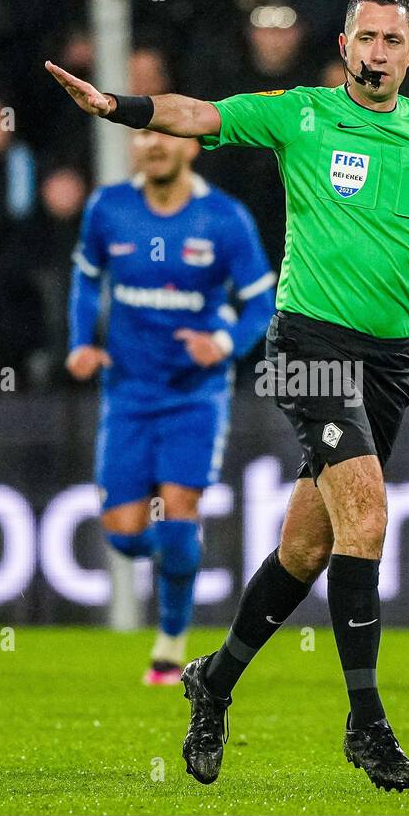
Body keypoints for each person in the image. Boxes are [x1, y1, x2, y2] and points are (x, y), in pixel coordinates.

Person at [48, 0, 409, 791]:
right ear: (347, 45)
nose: (379, 53)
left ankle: (212, 684)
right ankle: (368, 725)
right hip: (307, 344)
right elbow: (200, 114)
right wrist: (118, 106)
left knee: (308, 546)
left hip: (392, 359)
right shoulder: (301, 114)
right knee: (369, 512)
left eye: (395, 40)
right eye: (368, 38)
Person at [67, 128, 273, 684]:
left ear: (191, 146)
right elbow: (86, 281)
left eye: (165, 134)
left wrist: (224, 344)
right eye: (142, 134)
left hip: (195, 394)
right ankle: (179, 557)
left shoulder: (224, 219)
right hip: (129, 392)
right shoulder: (108, 209)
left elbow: (263, 301)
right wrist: (82, 342)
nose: (153, 144)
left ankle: (170, 646)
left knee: (180, 509)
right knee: (124, 534)